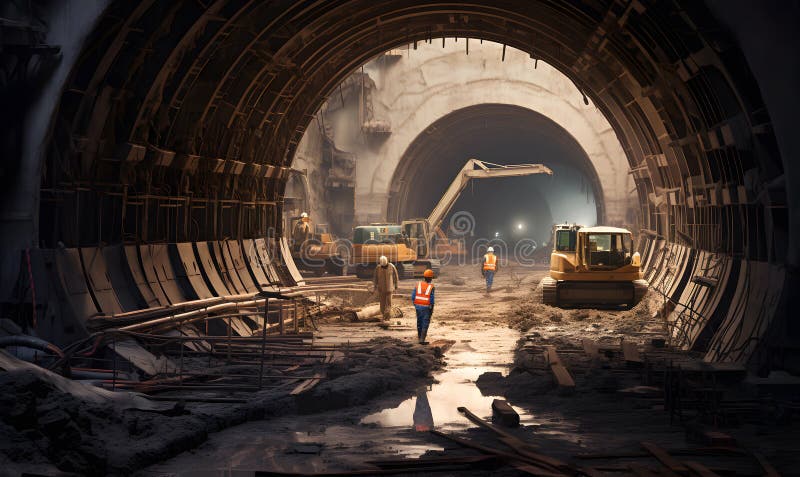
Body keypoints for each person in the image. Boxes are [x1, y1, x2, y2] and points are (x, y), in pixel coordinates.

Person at [411, 269, 435, 344]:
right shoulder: (431, 287)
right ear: (431, 278)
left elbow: (413, 296)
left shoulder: (418, 285)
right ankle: (422, 339)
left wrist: (416, 304)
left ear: (424, 277)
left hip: (418, 307)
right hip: (426, 308)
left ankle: (419, 337)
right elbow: (431, 299)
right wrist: (431, 308)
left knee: (419, 321)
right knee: (425, 322)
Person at [373, 255, 399, 320]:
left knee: (389, 303)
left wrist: (396, 285)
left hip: (389, 289)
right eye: (382, 266)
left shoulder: (391, 266)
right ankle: (383, 315)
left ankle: (387, 317)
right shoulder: (378, 268)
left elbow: (396, 277)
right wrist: (375, 286)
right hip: (381, 289)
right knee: (382, 304)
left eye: (384, 265)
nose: (383, 267)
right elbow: (375, 278)